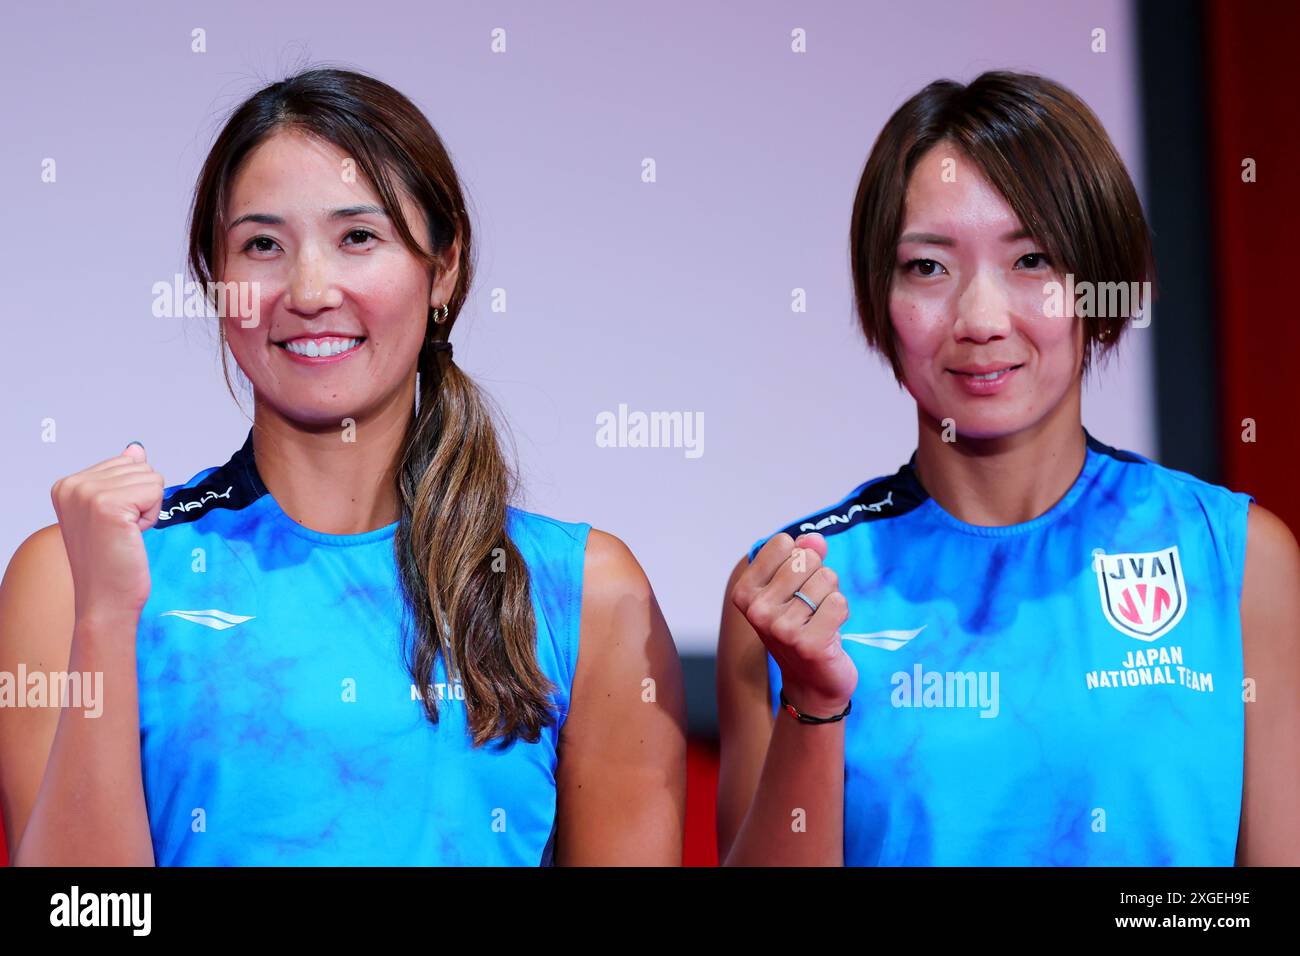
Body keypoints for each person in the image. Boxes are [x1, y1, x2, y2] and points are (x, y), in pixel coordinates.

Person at [0, 67, 685, 866]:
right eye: (262, 245)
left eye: (358, 237)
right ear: (215, 283)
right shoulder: (73, 579)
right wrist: (106, 620)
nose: (309, 288)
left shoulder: (587, 593)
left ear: (446, 267)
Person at [716, 70, 1300, 866]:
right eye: (928, 267)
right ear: (879, 299)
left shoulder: (1235, 560)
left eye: (1032, 260)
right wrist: (815, 702)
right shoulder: (795, 588)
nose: (981, 320)